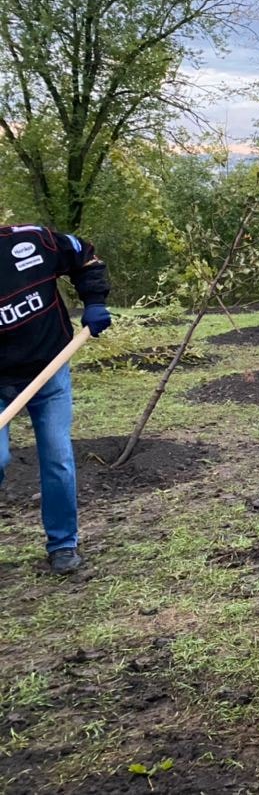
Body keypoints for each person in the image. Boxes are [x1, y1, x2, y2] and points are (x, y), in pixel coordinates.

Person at [0, 224, 111, 574]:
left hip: (50, 368)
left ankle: (63, 545)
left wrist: (93, 302)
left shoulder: (32, 242)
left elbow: (86, 257)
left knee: (57, 456)